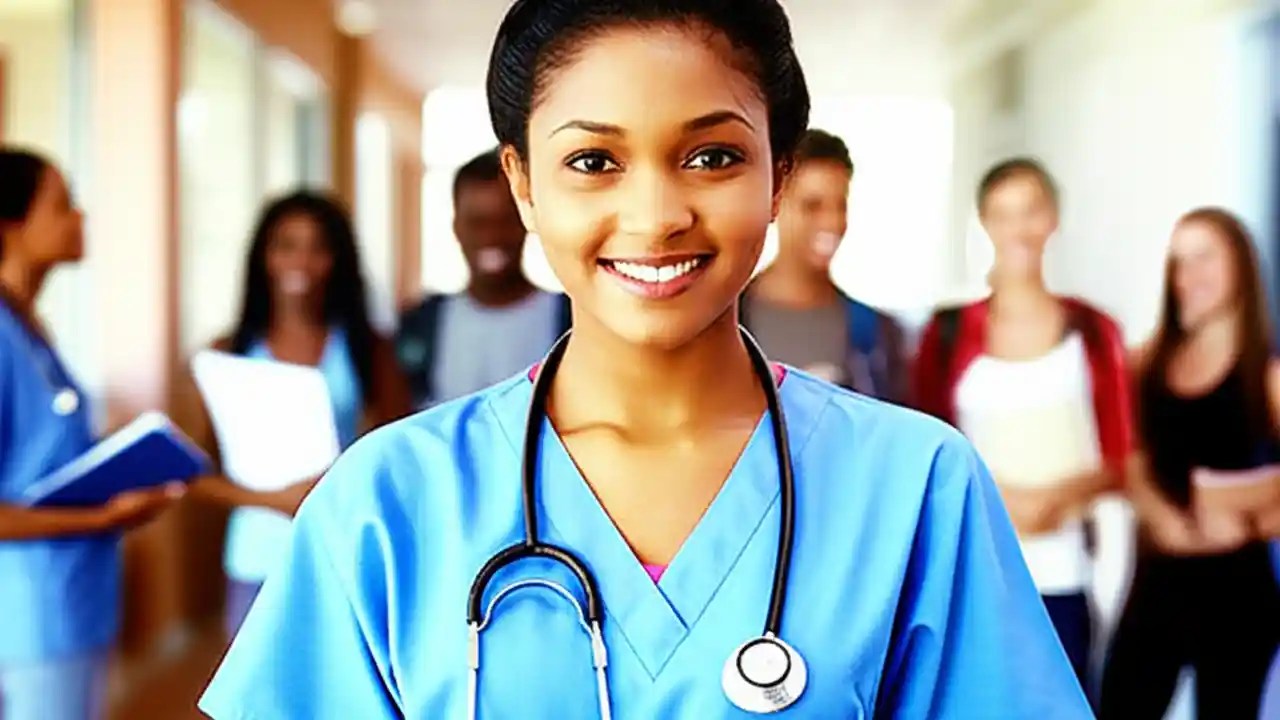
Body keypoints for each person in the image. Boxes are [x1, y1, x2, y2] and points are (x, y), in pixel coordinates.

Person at [198, 2, 1090, 717]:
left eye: (712, 155)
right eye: (593, 160)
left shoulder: (916, 489)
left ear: (778, 174)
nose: (657, 213)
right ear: (522, 186)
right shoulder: (387, 502)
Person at [912, 158, 1132, 695]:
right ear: (985, 222)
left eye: (1031, 211)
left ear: (1052, 219)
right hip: (975, 579)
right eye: (1004, 213)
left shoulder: (1094, 331)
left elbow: (1124, 459)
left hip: (1066, 576)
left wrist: (1058, 496)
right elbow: (925, 456)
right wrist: (1001, 496)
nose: (1019, 228)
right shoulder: (946, 334)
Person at [0, 149, 183, 719]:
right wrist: (103, 518)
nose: (80, 218)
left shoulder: (30, 326)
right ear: (11, 224)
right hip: (30, 617)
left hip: (76, 603)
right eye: (61, 206)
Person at [181, 190, 411, 638]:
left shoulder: (369, 349)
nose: (301, 262)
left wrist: (334, 489)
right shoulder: (227, 354)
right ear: (263, 257)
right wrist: (275, 501)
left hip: (345, 557)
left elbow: (397, 455)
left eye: (318, 248)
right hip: (256, 560)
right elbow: (193, 475)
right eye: (286, 245)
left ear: (337, 261)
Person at [1099, 208, 1280, 719]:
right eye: (1179, 263)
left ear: (1240, 265)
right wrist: (1163, 518)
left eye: (1204, 258)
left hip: (1240, 599)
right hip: (1156, 588)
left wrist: (1249, 520)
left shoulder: (1267, 375)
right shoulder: (1143, 364)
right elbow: (1128, 462)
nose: (1189, 276)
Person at [740, 129, 908, 402]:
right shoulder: (722, 321)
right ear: (774, 204)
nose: (832, 222)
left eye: (840, 205)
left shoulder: (880, 335)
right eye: (812, 205)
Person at [396, 149, 571, 408]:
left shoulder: (570, 319)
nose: (492, 237)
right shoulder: (421, 324)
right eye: (478, 223)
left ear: (526, 222)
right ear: (457, 227)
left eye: (505, 221)